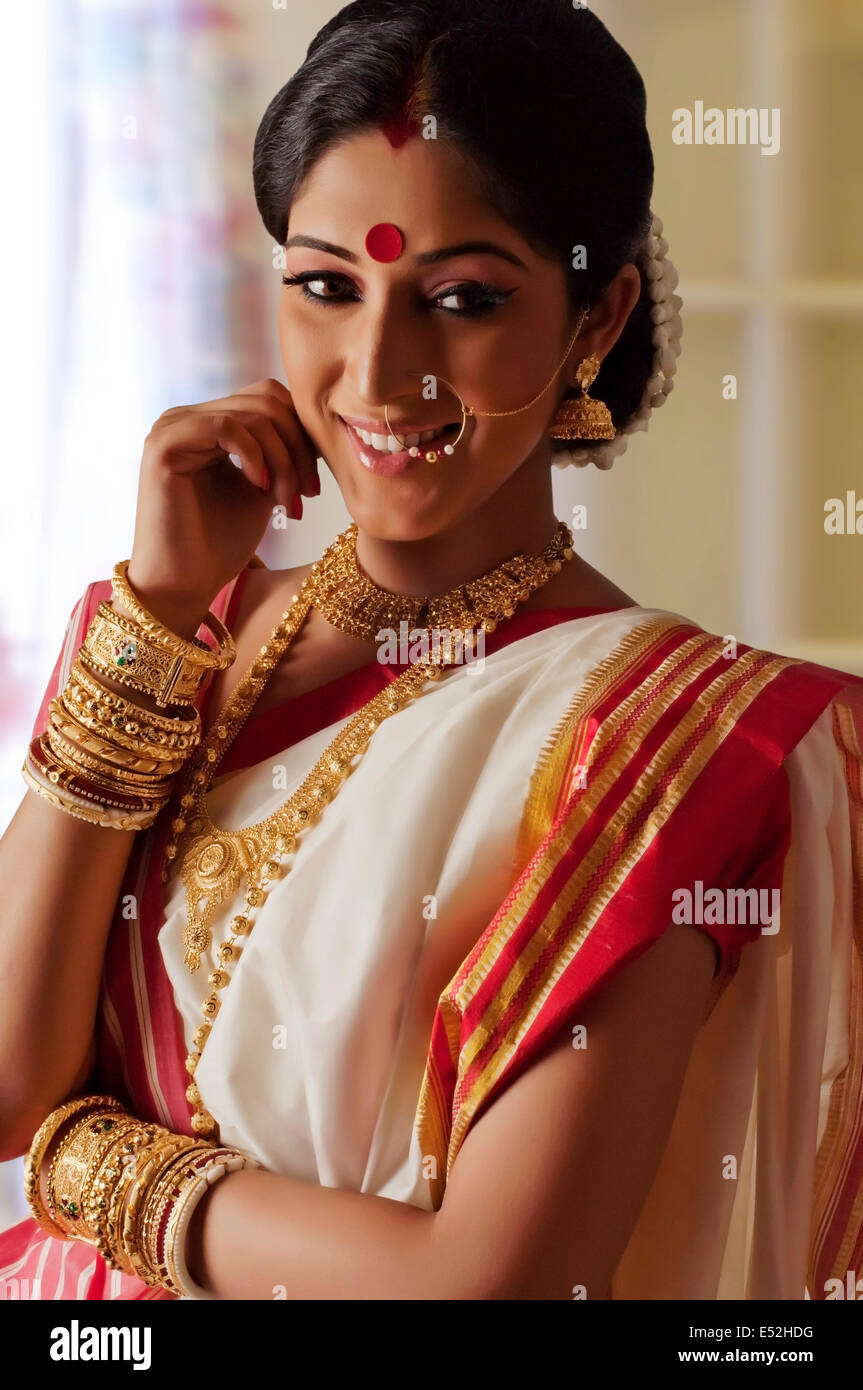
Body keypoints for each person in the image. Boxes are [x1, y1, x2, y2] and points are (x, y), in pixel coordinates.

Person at [0, 0, 860, 1302]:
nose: (378, 371)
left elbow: (491, 1283)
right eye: (327, 286)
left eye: (462, 298)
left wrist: (91, 1172)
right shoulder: (172, 636)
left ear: (596, 315)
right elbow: (9, 1080)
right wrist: (158, 614)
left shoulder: (668, 742)